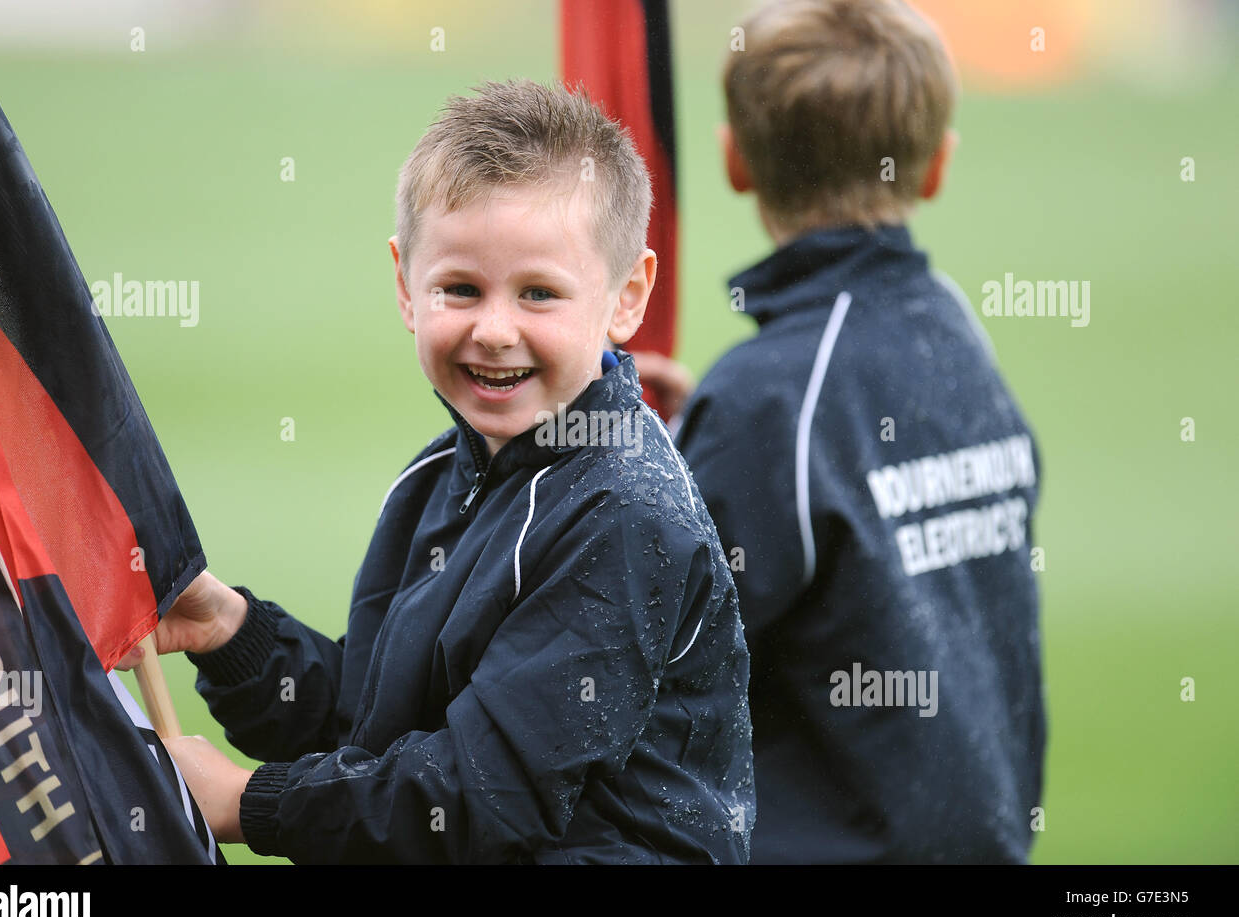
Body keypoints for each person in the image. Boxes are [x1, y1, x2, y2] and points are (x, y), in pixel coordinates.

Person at [126, 79, 754, 864]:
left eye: (539, 293)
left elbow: (480, 798)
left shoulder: (624, 514)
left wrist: (246, 802)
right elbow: (372, 727)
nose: (494, 329)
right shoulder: (443, 473)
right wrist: (233, 632)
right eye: (461, 288)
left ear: (626, 297)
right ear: (405, 286)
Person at [638, 0, 1045, 862]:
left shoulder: (771, 399)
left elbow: (642, 652)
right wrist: (696, 446)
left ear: (735, 160)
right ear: (936, 166)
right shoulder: (955, 330)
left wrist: (617, 459)